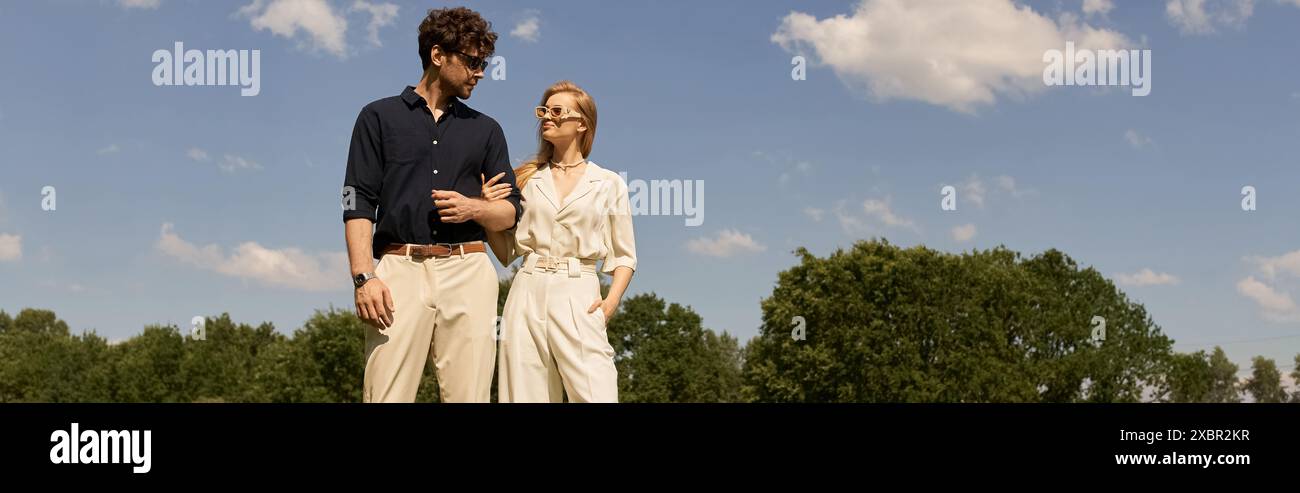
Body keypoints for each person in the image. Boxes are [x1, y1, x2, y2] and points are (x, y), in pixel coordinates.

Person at [342, 7, 521, 403]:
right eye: (473, 61)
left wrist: (474, 209)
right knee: (385, 395)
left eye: (484, 63)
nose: (480, 72)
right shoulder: (377, 117)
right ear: (438, 56)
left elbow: (510, 211)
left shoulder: (487, 129)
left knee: (469, 397)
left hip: (468, 270)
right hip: (397, 271)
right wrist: (363, 277)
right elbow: (357, 202)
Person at [484, 81, 637, 403]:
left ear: (582, 123)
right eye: (543, 111)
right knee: (524, 396)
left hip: (580, 291)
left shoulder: (609, 184)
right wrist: (486, 213)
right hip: (527, 288)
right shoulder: (524, 179)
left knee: (598, 393)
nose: (546, 118)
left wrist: (610, 304)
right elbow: (506, 252)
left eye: (557, 111)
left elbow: (624, 257)